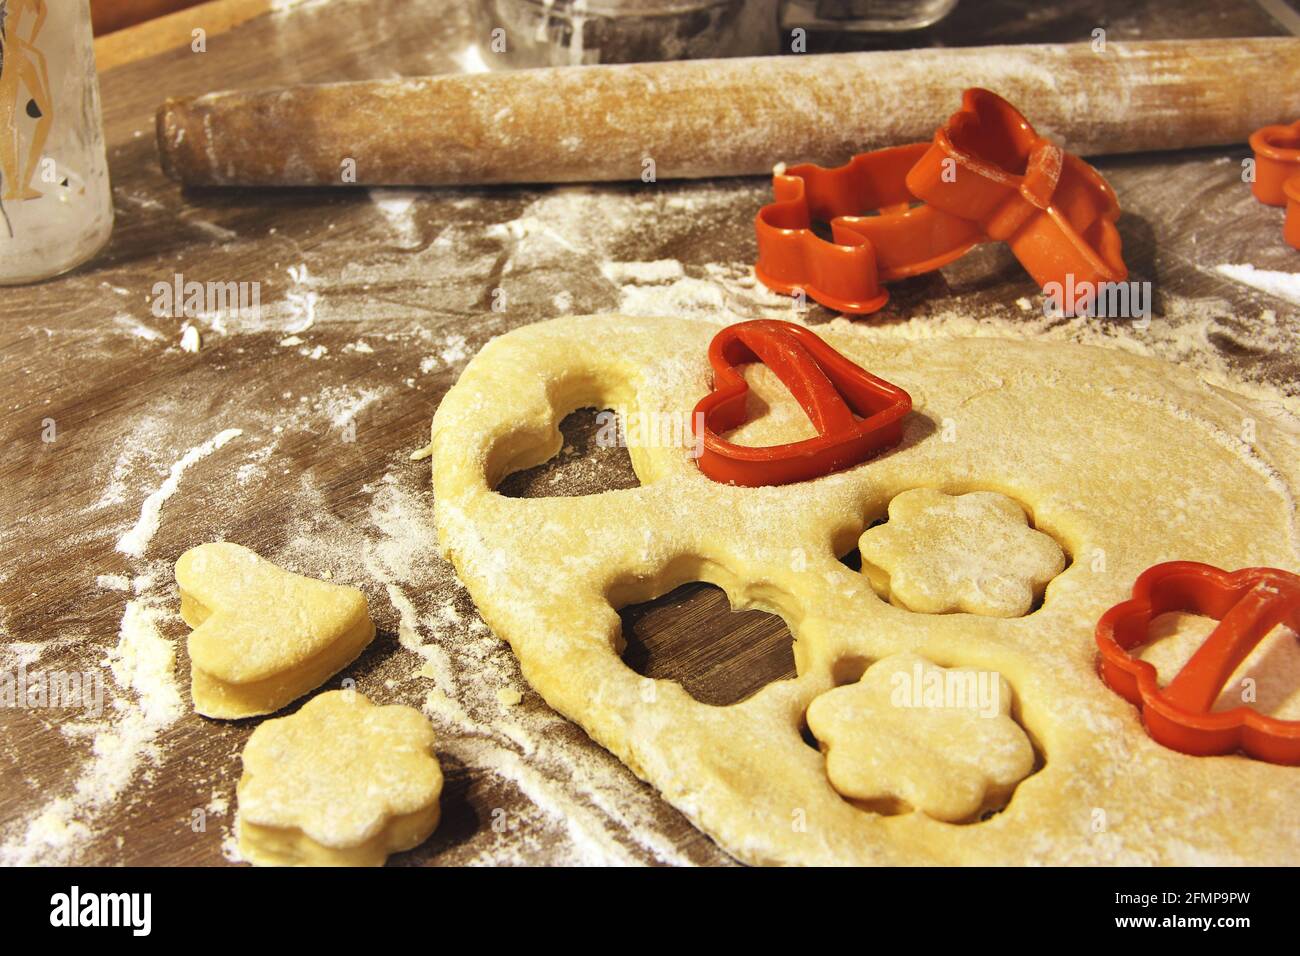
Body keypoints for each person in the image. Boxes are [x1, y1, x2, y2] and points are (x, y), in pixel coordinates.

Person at [0, 0, 53, 202]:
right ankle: (16, 186)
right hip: (10, 52)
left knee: (45, 114)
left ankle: (21, 184)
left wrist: (30, 41)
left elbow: (42, 12)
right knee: (6, 122)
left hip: (17, 49)